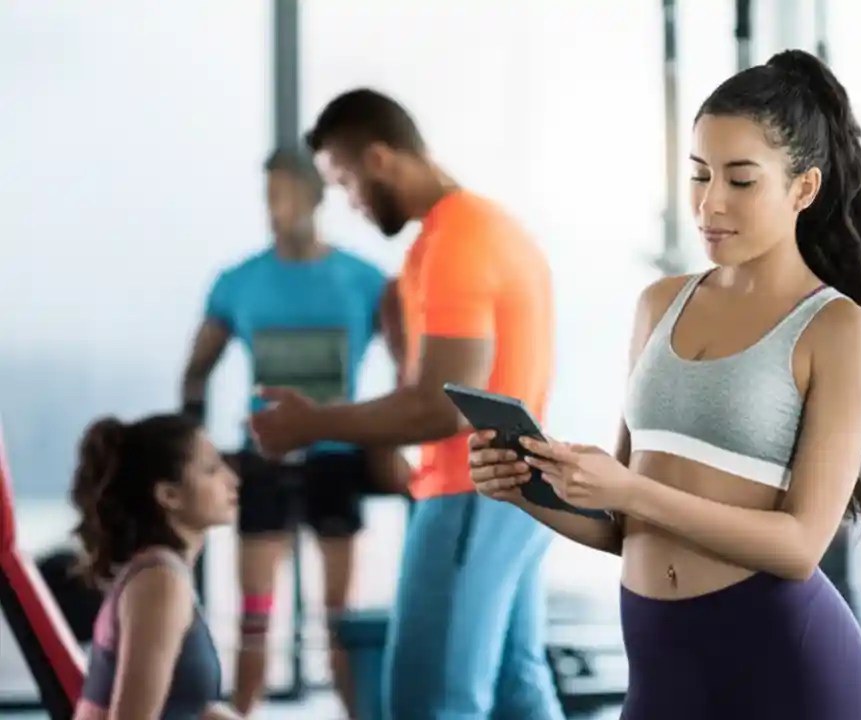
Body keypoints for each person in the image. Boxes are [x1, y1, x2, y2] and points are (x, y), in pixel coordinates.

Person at [468, 49, 861, 719]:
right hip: (662, 668)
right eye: (699, 175)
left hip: (786, 671)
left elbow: (798, 546)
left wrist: (630, 490)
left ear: (803, 189)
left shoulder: (840, 330)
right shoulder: (658, 304)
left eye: (741, 180)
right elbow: (621, 524)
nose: (711, 204)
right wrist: (528, 489)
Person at [248, 89, 564, 720]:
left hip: (470, 494)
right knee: (515, 697)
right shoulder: (482, 229)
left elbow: (441, 409)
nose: (351, 202)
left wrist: (310, 424)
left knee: (429, 705)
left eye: (345, 180)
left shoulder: (458, 242)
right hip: (518, 494)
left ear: (379, 158)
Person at [178, 148, 395, 718]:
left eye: (288, 193)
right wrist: (191, 452)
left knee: (340, 617)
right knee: (254, 615)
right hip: (266, 459)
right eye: (269, 194)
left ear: (317, 198)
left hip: (337, 459)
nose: (277, 207)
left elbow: (414, 365)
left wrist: (389, 440)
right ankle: (241, 711)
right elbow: (196, 371)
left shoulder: (365, 280)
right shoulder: (237, 281)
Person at [70, 413, 242, 719]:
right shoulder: (159, 581)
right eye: (212, 470)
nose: (232, 480)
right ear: (169, 495)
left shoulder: (162, 573)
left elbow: (183, 707)